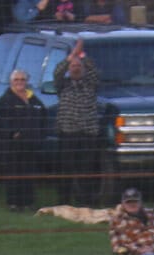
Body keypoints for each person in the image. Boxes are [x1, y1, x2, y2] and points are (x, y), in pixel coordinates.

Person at [53, 39, 100, 207]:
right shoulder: (63, 85)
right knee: (66, 169)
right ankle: (64, 201)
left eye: (78, 66)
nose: (76, 68)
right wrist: (71, 56)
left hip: (88, 134)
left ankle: (85, 202)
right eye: (73, 66)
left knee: (86, 170)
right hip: (68, 133)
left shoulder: (90, 84)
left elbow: (93, 70)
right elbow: (57, 72)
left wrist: (81, 54)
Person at [0, 69, 48, 212]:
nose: (19, 82)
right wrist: (13, 133)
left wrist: (41, 135)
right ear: (11, 82)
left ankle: (28, 202)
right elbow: (0, 122)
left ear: (27, 81)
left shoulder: (34, 100)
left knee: (29, 174)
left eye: (22, 80)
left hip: (31, 144)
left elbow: (43, 117)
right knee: (14, 173)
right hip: (13, 146)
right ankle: (14, 203)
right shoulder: (5, 100)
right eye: (16, 80)